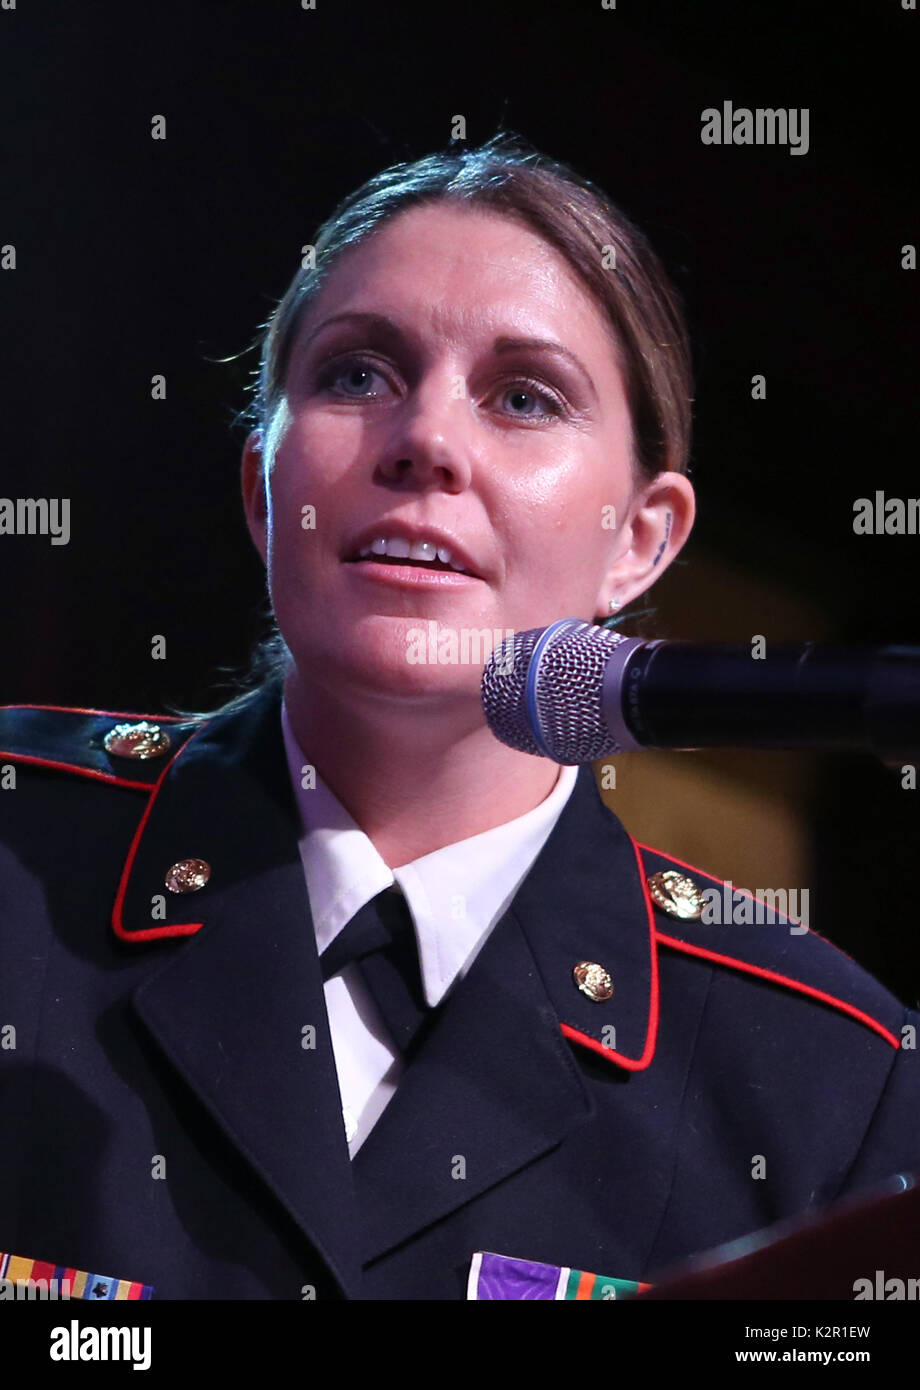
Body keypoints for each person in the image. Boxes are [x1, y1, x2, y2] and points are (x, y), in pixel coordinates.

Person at [1, 134, 918, 1303]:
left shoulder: (829, 1081)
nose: (427, 440)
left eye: (523, 396)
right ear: (261, 489)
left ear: (638, 540)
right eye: (355, 375)